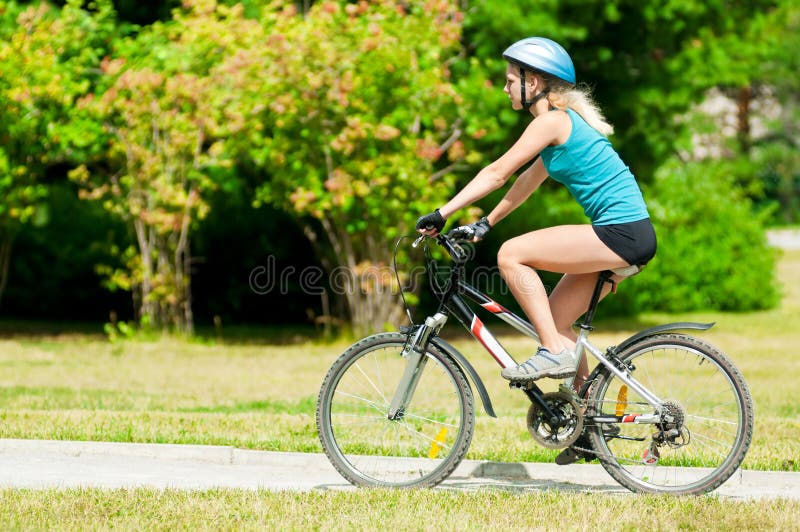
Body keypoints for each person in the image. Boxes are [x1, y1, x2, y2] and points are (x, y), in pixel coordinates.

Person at [416, 37, 656, 392]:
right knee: (555, 321)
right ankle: (584, 411)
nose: (505, 88)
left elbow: (497, 173)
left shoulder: (553, 123)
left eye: (510, 80)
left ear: (533, 83)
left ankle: (553, 353)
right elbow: (526, 181)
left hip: (621, 233)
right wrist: (486, 222)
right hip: (629, 235)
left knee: (511, 254)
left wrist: (442, 212)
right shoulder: (559, 128)